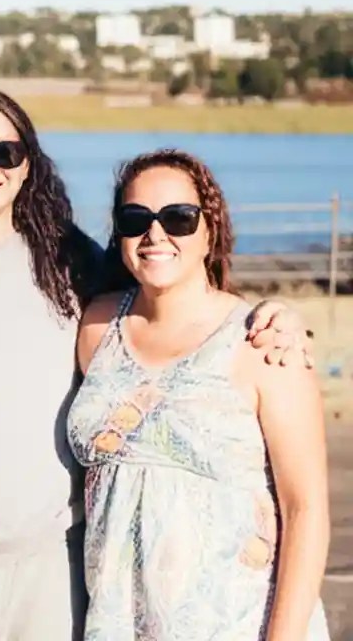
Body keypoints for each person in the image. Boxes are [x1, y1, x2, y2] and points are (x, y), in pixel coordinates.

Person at [0, 86, 314, 640]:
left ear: (27, 166)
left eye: (5, 152)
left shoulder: (70, 265)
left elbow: (174, 295)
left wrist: (280, 315)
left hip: (52, 567)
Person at [66, 149, 330, 639]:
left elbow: (306, 509)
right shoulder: (95, 327)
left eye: (179, 218)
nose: (156, 234)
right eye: (135, 218)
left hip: (239, 623)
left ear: (211, 229)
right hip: (119, 621)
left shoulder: (262, 344)